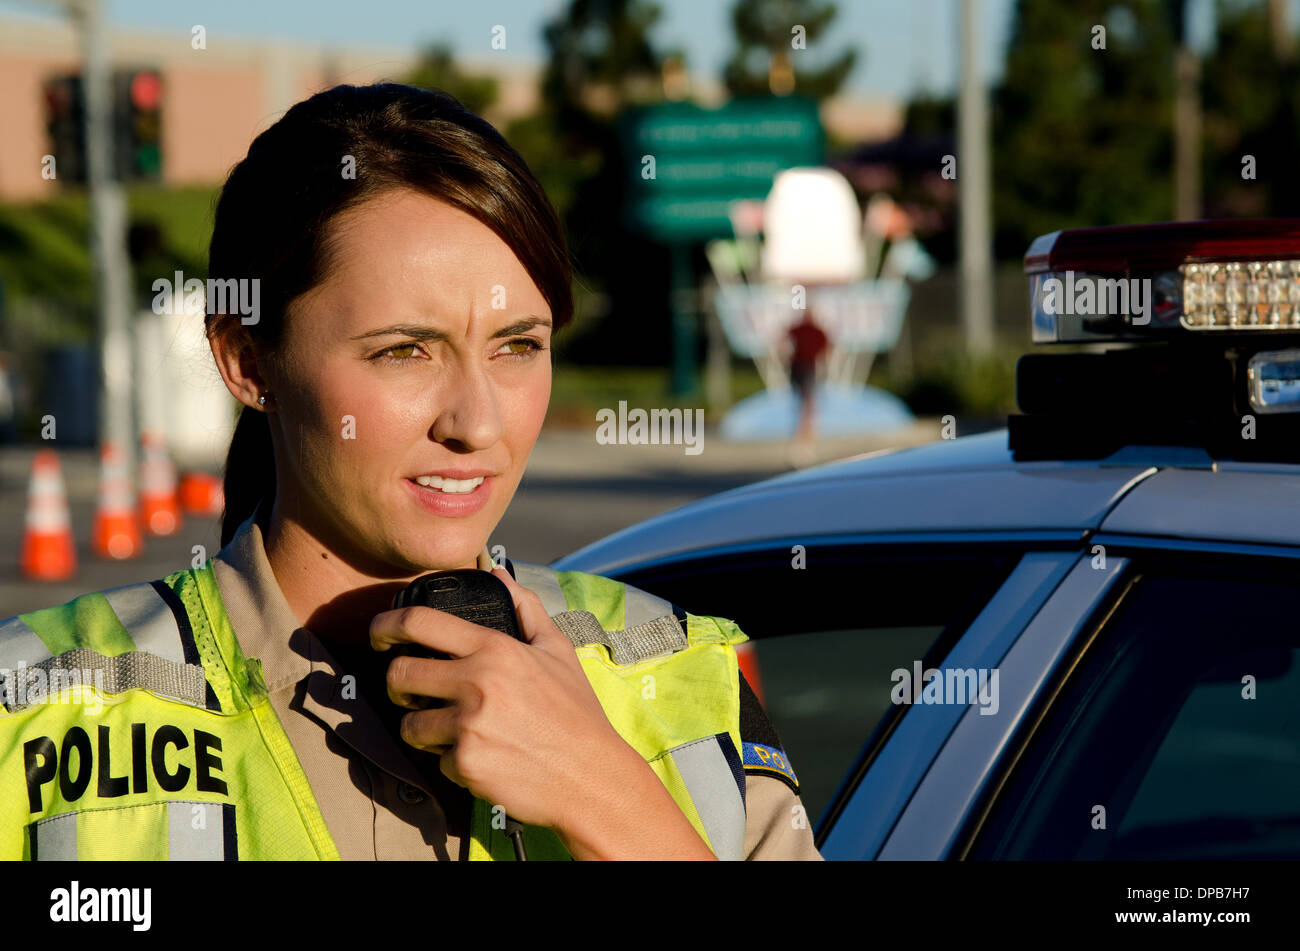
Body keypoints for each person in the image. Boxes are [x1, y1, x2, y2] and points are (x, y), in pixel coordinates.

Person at [0, 83, 822, 861]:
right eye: (404, 350)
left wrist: (602, 792)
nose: (478, 423)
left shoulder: (673, 668)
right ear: (250, 360)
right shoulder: (33, 707)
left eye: (517, 346)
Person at [786, 308, 830, 466]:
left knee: (806, 407)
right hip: (804, 370)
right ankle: (804, 446)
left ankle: (805, 446)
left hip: (806, 370)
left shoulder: (811, 331)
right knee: (806, 407)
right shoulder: (800, 330)